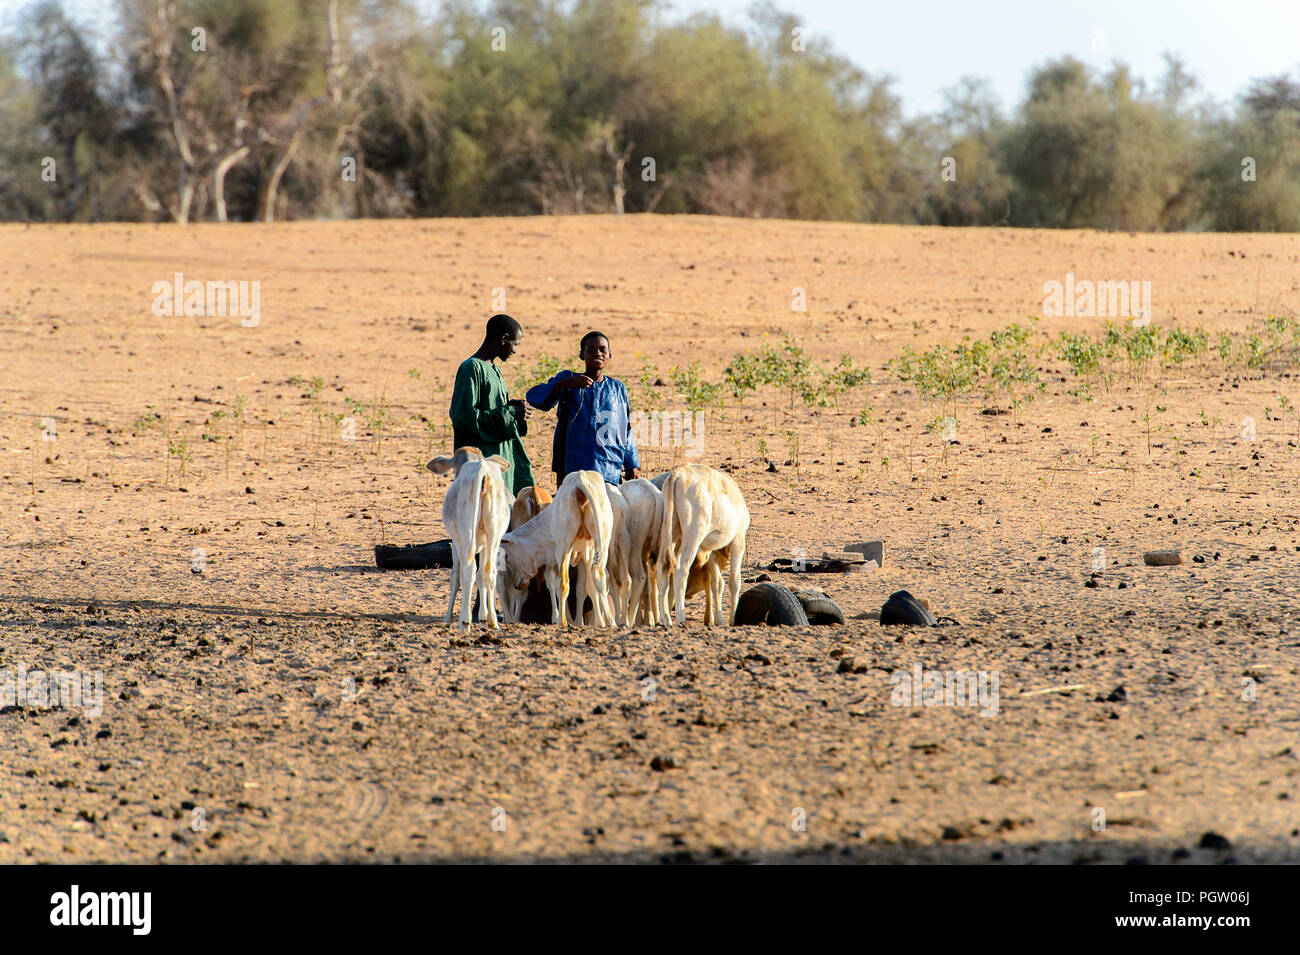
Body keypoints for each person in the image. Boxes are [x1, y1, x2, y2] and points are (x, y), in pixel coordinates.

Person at [526, 330, 640, 486]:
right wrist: (566, 383)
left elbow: (624, 430)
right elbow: (533, 397)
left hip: (609, 469)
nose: (597, 353)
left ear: (609, 355)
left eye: (602, 350)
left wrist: (631, 463)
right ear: (582, 355)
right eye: (591, 350)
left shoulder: (617, 388)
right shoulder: (569, 380)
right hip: (575, 468)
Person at [448, 313, 535, 494]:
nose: (515, 351)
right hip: (480, 462)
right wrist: (510, 413)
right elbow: (464, 416)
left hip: (500, 457)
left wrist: (517, 410)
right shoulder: (472, 367)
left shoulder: (494, 370)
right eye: (515, 344)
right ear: (504, 339)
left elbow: (495, 409)